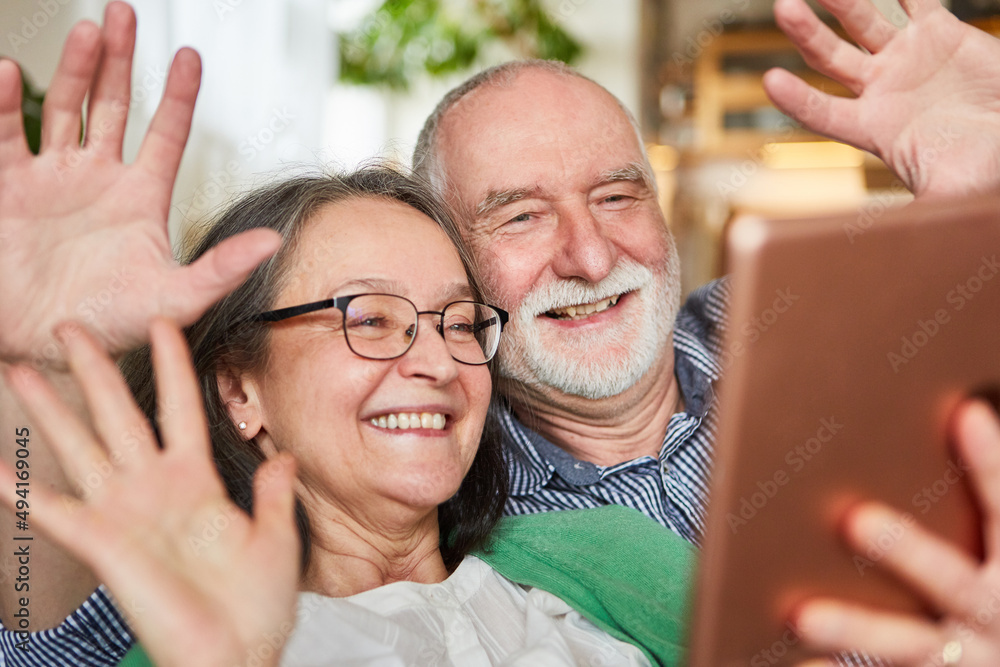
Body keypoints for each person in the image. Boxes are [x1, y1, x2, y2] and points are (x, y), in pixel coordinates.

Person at [4, 0, 1000, 664]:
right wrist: (37, 362)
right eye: (519, 216)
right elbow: (40, 621)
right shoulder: (221, 589)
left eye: (617, 193)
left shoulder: (823, 320)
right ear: (240, 389)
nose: (585, 248)